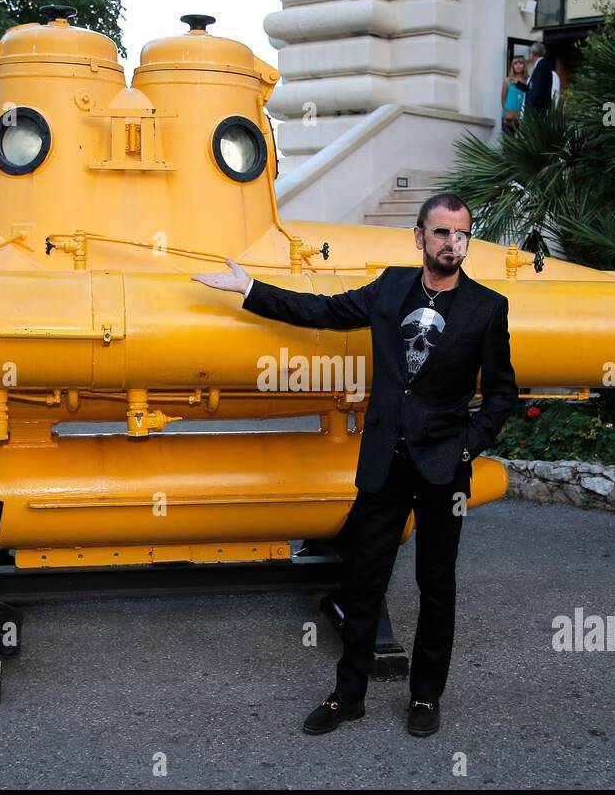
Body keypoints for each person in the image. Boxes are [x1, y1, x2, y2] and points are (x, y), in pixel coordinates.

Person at [191, 193, 518, 737]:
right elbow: (322, 311)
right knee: (363, 580)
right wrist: (250, 289)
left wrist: (466, 446)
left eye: (461, 235)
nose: (451, 244)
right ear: (419, 237)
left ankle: (424, 698)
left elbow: (503, 394)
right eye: (441, 233)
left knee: (436, 586)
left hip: (443, 469)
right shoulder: (390, 288)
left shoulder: (487, 307)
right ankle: (348, 697)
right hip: (384, 463)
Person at [512, 42, 554, 114]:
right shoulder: (540, 65)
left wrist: (530, 112)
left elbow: (536, 92)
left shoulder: (542, 66)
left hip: (536, 112)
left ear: (533, 53)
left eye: (530, 52)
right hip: (535, 111)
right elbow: (532, 89)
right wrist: (518, 84)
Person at [501, 55, 528, 134]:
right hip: (508, 118)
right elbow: (503, 99)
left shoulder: (528, 80)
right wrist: (506, 114)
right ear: (513, 66)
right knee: (508, 144)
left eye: (520, 63)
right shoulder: (507, 80)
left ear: (524, 65)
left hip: (522, 118)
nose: (518, 66)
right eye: (515, 64)